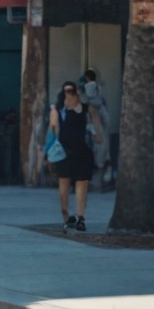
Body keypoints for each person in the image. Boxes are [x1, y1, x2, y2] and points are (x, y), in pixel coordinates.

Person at [50, 82, 100, 230]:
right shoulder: (58, 109)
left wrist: (96, 133)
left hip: (81, 152)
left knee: (81, 185)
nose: (70, 96)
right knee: (64, 187)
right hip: (63, 153)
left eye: (73, 93)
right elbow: (52, 131)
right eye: (67, 93)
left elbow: (97, 129)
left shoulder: (86, 109)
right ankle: (66, 216)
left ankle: (80, 217)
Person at [79, 67, 111, 189]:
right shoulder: (99, 92)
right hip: (100, 129)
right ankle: (101, 181)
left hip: (96, 131)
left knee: (98, 155)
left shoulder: (91, 95)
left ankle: (98, 181)